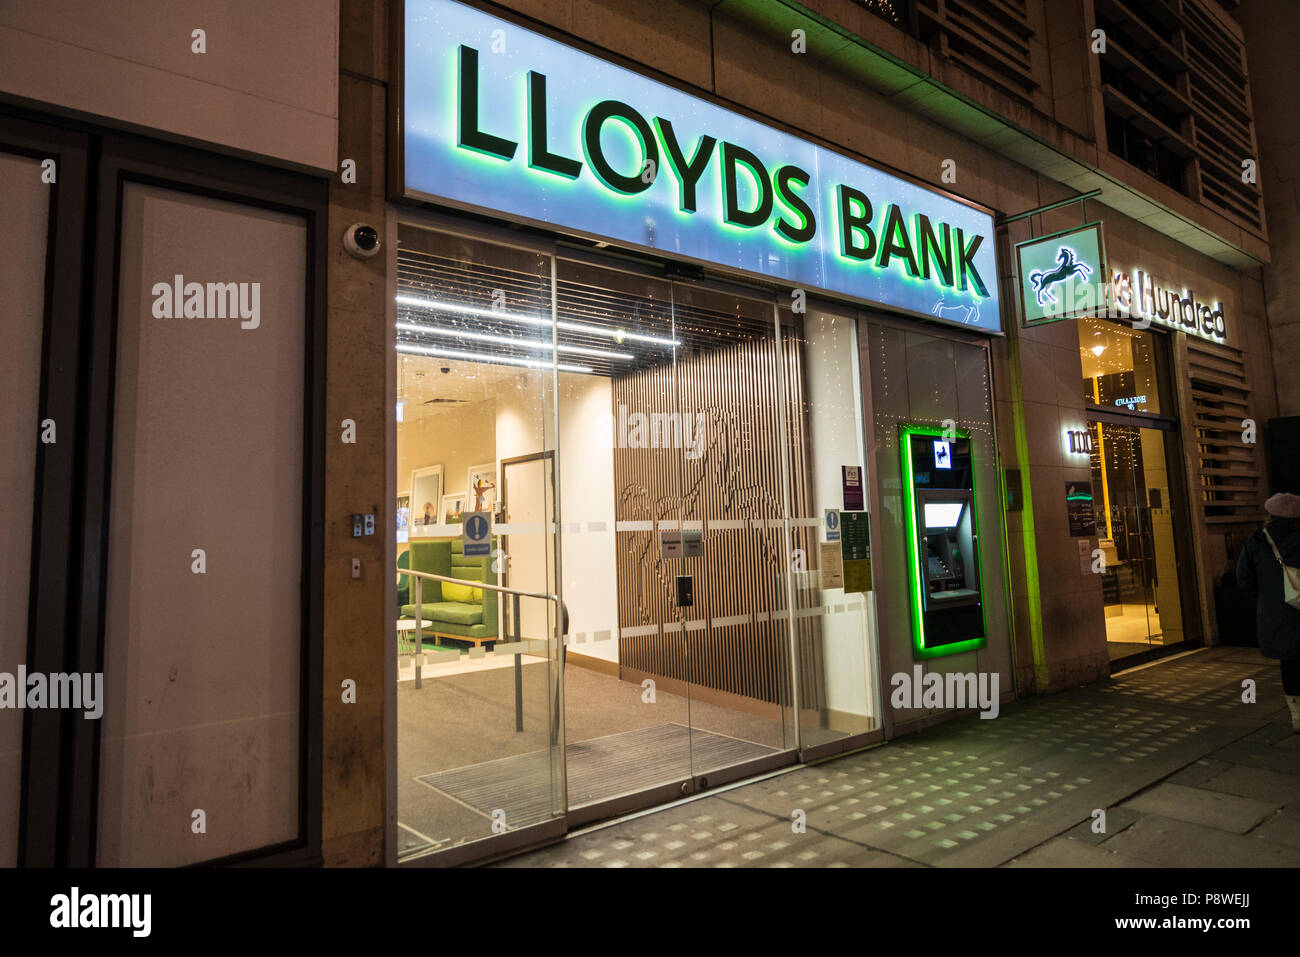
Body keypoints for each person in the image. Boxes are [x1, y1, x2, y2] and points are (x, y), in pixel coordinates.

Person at [1236, 492, 1300, 732]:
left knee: (1290, 665)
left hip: (1278, 614)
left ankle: (1297, 717)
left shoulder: (1257, 541)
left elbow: (1244, 579)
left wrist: (1268, 599)